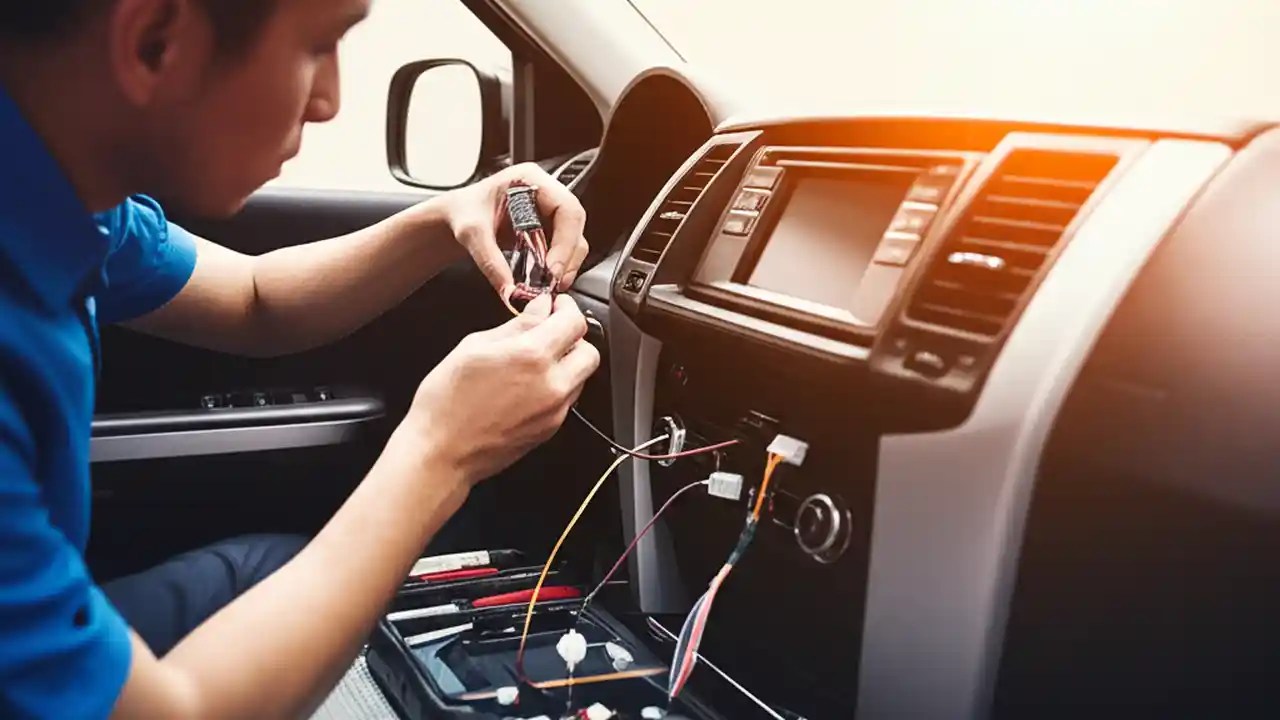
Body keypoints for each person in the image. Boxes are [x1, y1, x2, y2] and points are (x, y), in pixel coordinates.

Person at [0, 0, 600, 717]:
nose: (329, 100)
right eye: (319, 46)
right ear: (154, 41)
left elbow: (257, 298)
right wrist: (442, 452)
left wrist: (450, 215)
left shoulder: (68, 194)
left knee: (276, 563)